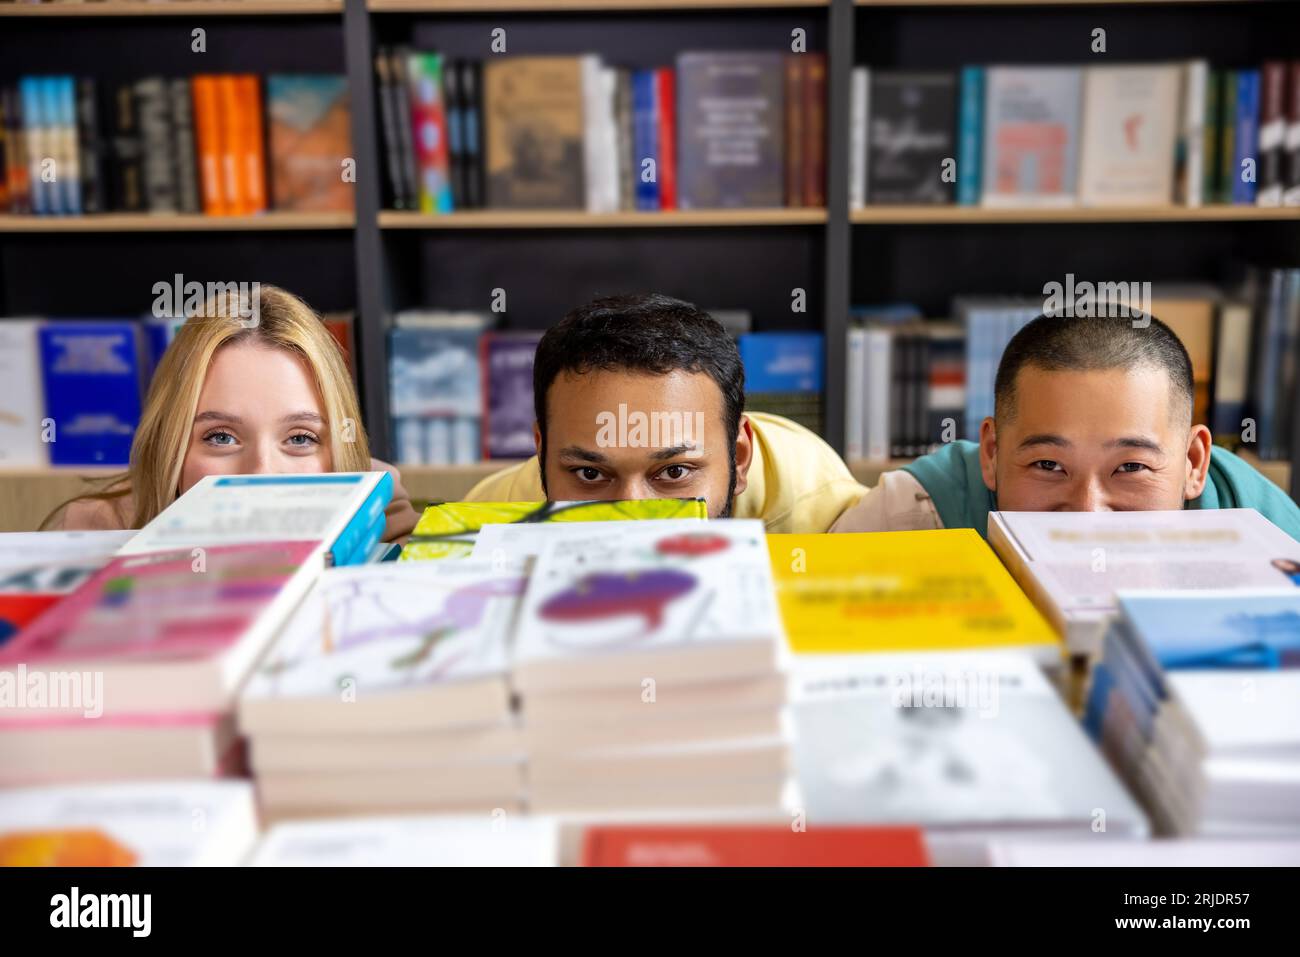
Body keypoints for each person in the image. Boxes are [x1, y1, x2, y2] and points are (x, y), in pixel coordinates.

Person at [832, 311, 1300, 541]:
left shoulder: (1268, 532)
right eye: (1049, 464)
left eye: (1131, 467)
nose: (1088, 515)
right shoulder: (915, 514)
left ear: (1193, 463)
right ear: (991, 455)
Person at [464, 293, 867, 533]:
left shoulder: (822, 509)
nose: (633, 520)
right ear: (542, 451)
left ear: (739, 458)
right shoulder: (487, 519)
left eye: (674, 472)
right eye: (590, 474)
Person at [48, 284, 418, 540]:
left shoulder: (378, 508)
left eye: (300, 438)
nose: (261, 475)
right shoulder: (94, 532)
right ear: (169, 446)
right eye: (221, 437)